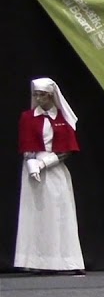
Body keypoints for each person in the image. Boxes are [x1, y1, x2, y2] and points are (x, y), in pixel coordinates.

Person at [15, 77, 85, 275]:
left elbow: (68, 149)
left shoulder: (63, 118)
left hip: (54, 168)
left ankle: (64, 260)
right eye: (35, 95)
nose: (38, 99)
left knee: (58, 214)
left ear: (51, 96)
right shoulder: (28, 117)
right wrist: (31, 164)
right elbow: (26, 143)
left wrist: (44, 163)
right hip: (33, 169)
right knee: (35, 213)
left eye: (42, 95)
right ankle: (33, 259)